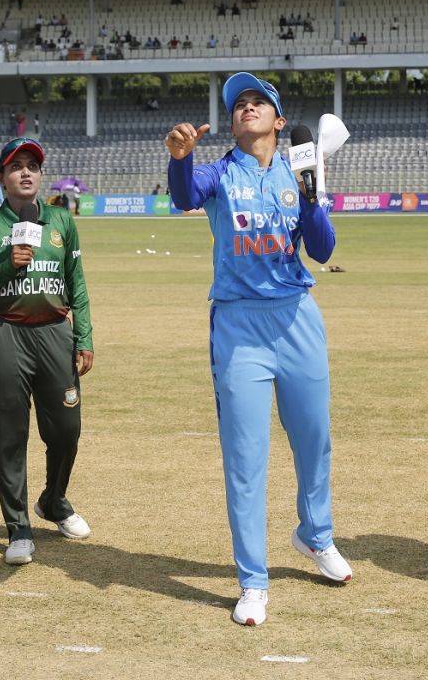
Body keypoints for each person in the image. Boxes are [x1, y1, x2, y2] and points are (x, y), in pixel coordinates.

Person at [164, 73, 352, 628]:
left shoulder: (300, 169)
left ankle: (314, 536)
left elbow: (322, 249)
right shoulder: (221, 171)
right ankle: (252, 581)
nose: (246, 108)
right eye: (237, 104)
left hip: (297, 318)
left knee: (314, 440)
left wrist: (313, 191)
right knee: (246, 459)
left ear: (276, 118)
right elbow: (183, 197)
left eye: (256, 102)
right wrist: (179, 158)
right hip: (239, 326)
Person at [0, 137, 94, 567]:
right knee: (9, 435)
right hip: (6, 334)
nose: (25, 172)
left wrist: (84, 337)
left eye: (32, 166)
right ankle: (18, 526)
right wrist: (7, 265)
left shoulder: (60, 219)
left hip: (56, 333)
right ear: (2, 177)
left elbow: (76, 281)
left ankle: (53, 500)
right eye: (15, 166)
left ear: (40, 175)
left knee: (66, 430)